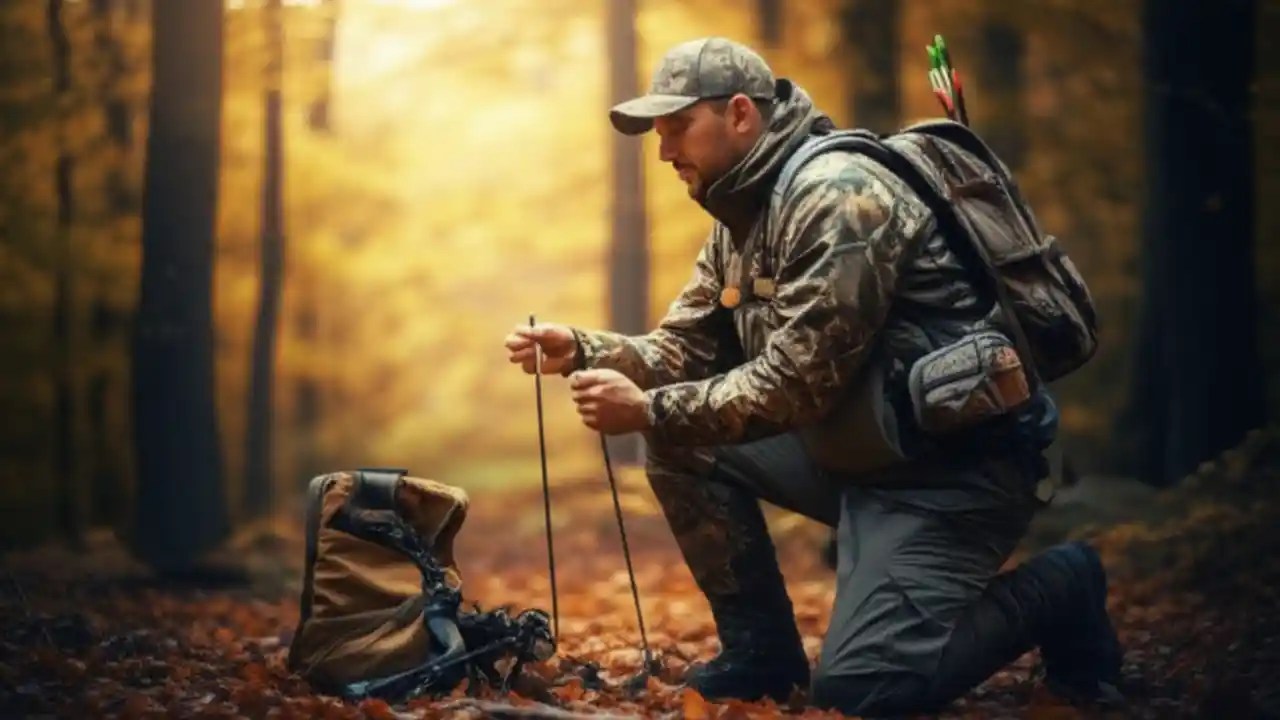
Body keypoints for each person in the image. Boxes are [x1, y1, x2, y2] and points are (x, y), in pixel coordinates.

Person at [503, 36, 1122, 716]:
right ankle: (761, 658)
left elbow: (793, 385)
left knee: (862, 693)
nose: (664, 151)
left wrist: (646, 409)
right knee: (681, 438)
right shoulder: (743, 216)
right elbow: (685, 349)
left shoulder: (838, 196)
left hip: (953, 474)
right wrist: (585, 350)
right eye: (659, 133)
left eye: (678, 127)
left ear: (741, 114)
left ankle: (1063, 585)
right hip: (867, 456)